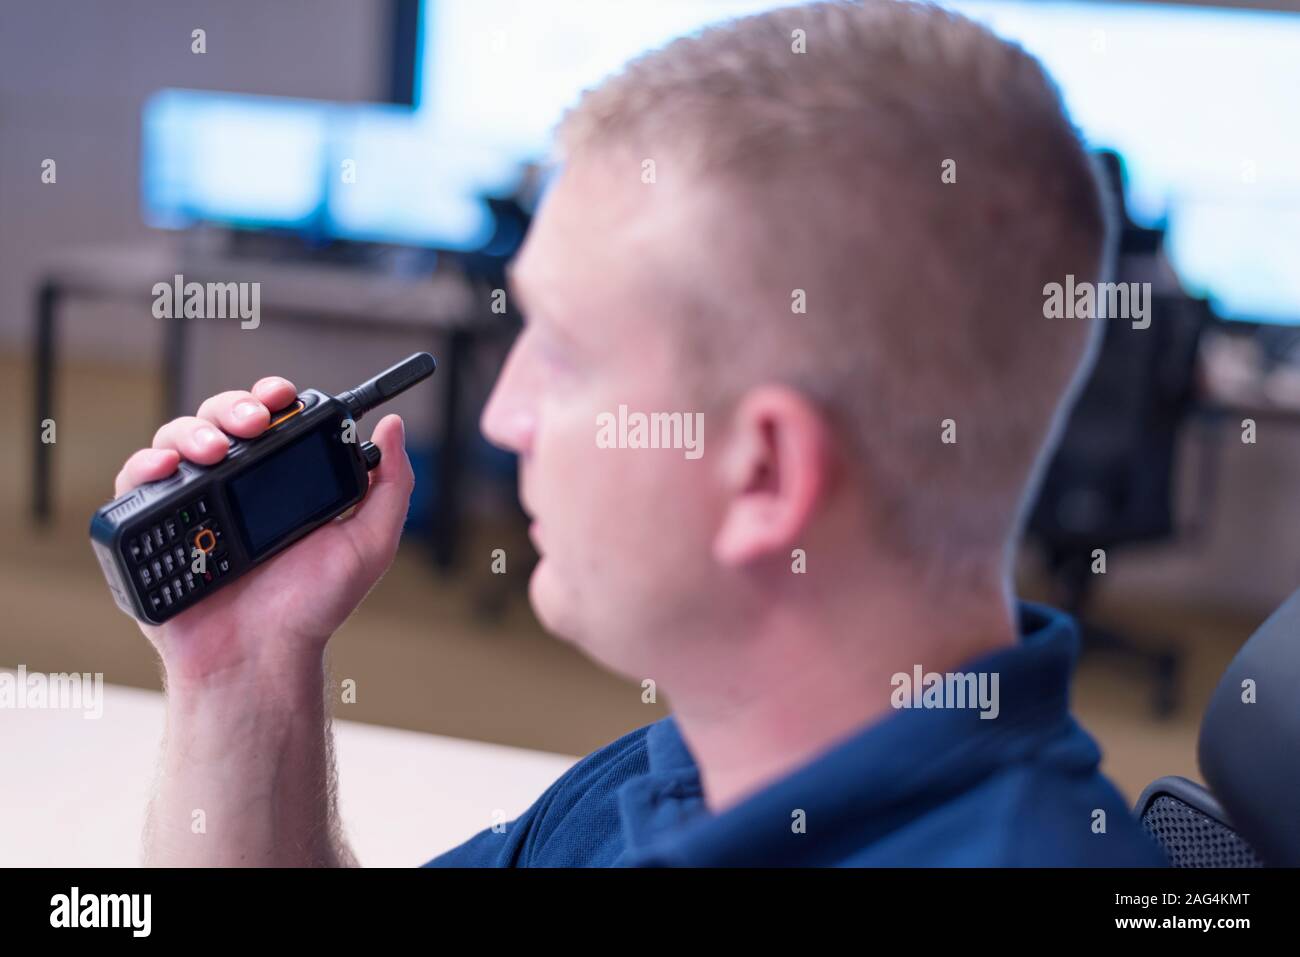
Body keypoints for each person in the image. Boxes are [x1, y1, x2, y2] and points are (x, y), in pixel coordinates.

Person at [115, 0, 1165, 866]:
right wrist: (246, 677)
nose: (501, 415)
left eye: (564, 353)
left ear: (766, 475)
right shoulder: (686, 765)